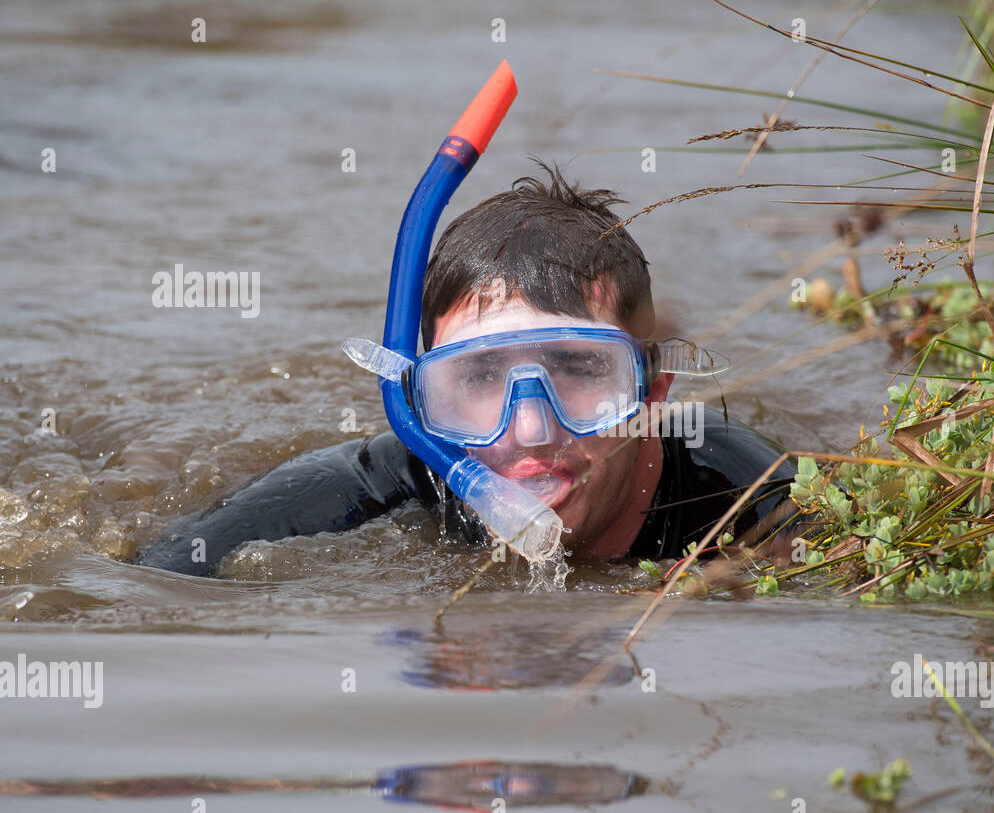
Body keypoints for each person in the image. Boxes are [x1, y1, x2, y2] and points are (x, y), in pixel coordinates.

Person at [132, 161, 795, 579]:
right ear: (421, 403)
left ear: (653, 388)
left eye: (577, 369)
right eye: (478, 379)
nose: (532, 429)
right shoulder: (385, 486)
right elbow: (143, 586)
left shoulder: (750, 496)